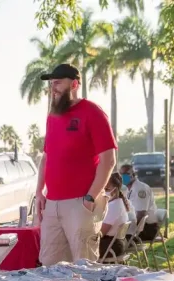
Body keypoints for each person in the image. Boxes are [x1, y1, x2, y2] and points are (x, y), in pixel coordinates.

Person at [35, 63, 117, 266]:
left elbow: (109, 160)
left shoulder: (92, 112)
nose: (53, 88)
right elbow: (46, 157)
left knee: (84, 269)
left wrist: (90, 198)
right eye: (51, 83)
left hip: (80, 204)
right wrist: (39, 192)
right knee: (50, 269)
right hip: (52, 205)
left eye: (58, 83)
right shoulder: (52, 117)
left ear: (74, 84)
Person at [120, 164, 159, 241]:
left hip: (146, 229)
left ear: (133, 175)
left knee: (116, 239)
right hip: (137, 226)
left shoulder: (140, 189)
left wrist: (130, 231)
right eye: (121, 174)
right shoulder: (128, 189)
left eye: (126, 174)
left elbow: (141, 215)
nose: (123, 177)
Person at [99, 173, 130, 258]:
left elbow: (101, 233)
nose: (104, 191)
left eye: (107, 189)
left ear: (115, 190)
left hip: (111, 247)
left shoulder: (114, 206)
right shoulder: (118, 202)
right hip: (116, 244)